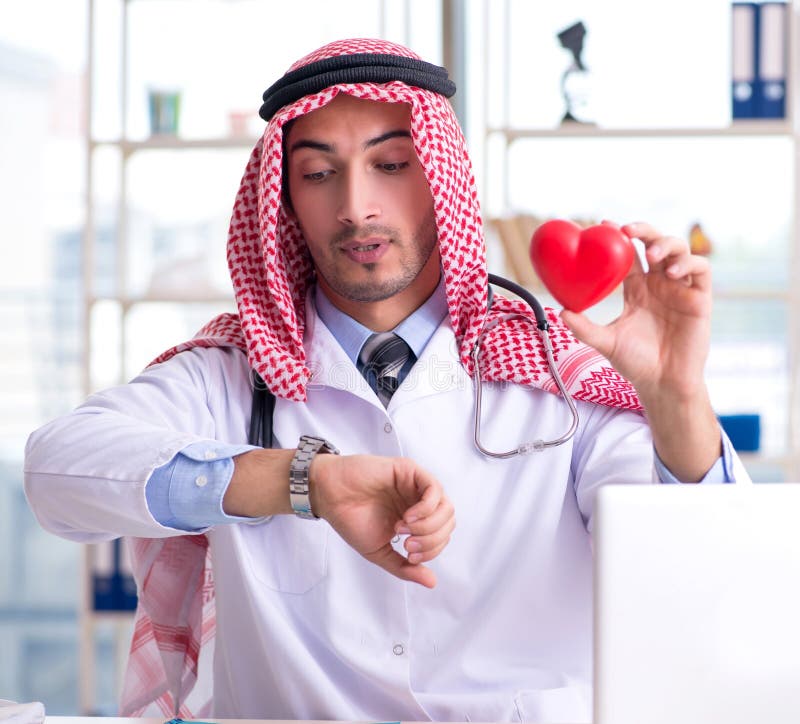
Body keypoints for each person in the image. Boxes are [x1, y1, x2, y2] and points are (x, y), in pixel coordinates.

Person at [24, 38, 749, 723]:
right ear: (283, 203)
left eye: (392, 164)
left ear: (441, 179)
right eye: (317, 173)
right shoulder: (232, 376)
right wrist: (301, 482)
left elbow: (702, 578)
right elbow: (58, 472)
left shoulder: (559, 373)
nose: (356, 206)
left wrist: (676, 394)